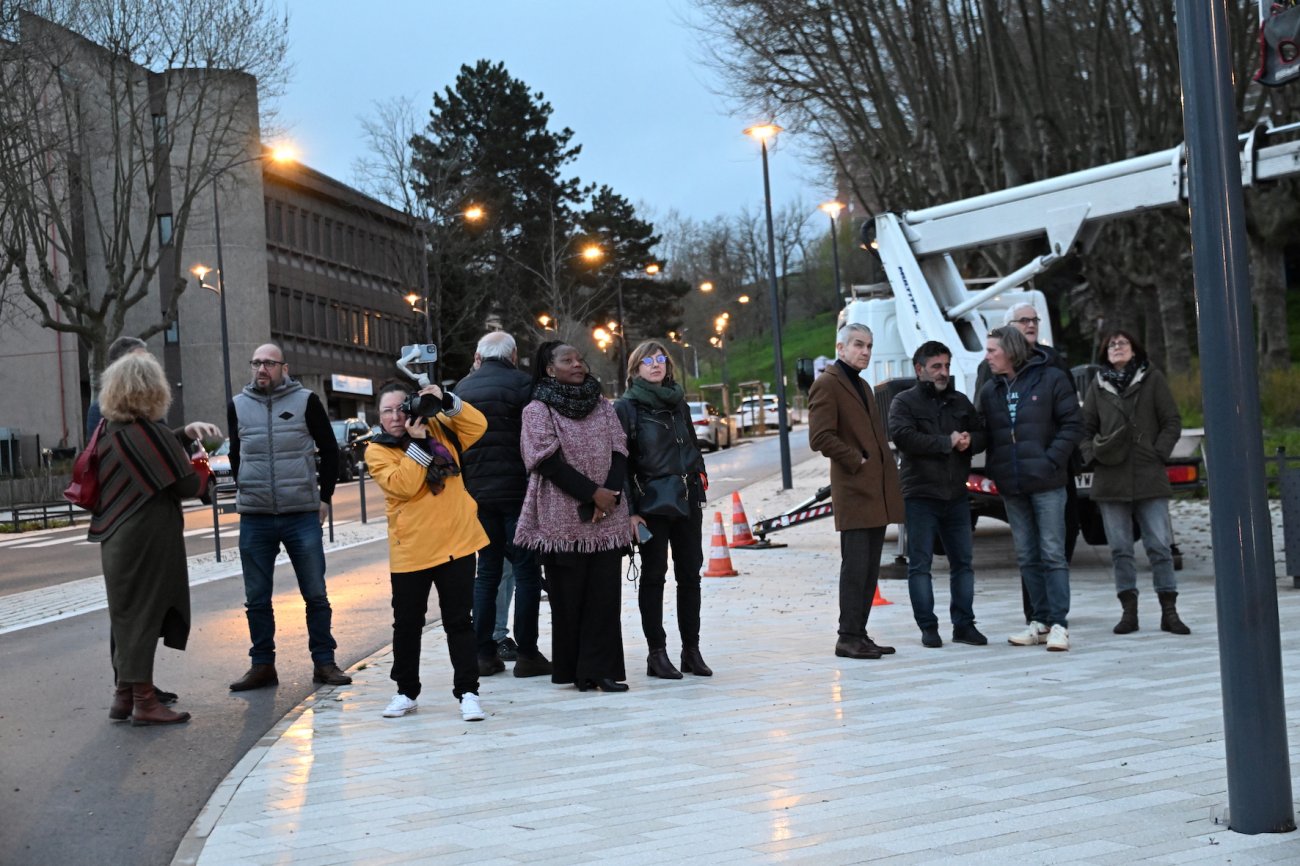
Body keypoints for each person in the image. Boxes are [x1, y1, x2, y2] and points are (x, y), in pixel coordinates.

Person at [226, 343, 352, 691]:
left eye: (268, 363)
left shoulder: (306, 401)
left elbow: (329, 449)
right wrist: (246, 487)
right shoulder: (238, 405)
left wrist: (324, 496)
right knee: (256, 597)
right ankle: (262, 665)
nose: (261, 369)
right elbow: (237, 453)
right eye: (256, 363)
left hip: (300, 514)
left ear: (284, 367)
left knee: (315, 593)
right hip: (255, 516)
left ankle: (324, 662)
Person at [366, 380, 489, 721]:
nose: (394, 417)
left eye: (399, 408)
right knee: (406, 625)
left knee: (459, 622)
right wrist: (418, 446)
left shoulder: (439, 426)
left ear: (411, 405)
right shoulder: (377, 450)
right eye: (386, 411)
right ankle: (406, 692)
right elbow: (403, 486)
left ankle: (468, 693)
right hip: (411, 551)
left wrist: (445, 400)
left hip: (456, 543)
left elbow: (478, 426)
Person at [515, 341, 634, 693]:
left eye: (580, 358)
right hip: (561, 517)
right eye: (568, 360)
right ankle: (577, 671)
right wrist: (591, 494)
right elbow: (545, 460)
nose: (578, 364)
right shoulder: (537, 409)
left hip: (607, 515)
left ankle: (603, 670)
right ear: (550, 369)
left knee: (604, 595)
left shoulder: (601, 403)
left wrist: (607, 496)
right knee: (569, 598)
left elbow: (619, 447)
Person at [88, 353, 200, 725]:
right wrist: (202, 465)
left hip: (114, 537)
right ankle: (145, 702)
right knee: (146, 615)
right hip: (149, 539)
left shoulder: (106, 431)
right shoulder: (150, 433)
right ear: (152, 390)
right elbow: (186, 484)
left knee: (126, 616)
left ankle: (123, 696)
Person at [978, 326, 1084, 652]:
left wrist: (1049, 460)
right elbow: (985, 434)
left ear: (1010, 350)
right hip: (1012, 484)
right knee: (1026, 555)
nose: (988, 357)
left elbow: (1073, 424)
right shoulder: (989, 390)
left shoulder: (1051, 378)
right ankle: (1038, 622)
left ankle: (1059, 626)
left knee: (1052, 553)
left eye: (992, 350)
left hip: (1048, 482)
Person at [453, 331, 551, 679]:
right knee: (525, 572)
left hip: (477, 495)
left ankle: (483, 653)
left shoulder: (462, 390)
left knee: (488, 572)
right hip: (519, 492)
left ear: (478, 356)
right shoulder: (525, 385)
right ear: (512, 356)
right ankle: (527, 654)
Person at [1081, 329, 1189, 636]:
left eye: (1123, 342)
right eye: (1112, 343)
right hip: (1110, 476)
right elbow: (1084, 427)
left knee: (1160, 546)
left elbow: (1172, 420)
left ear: (1134, 348)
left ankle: (1170, 612)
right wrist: (1091, 455)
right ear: (1105, 352)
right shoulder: (1097, 384)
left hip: (1148, 473)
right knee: (1120, 550)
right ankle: (1129, 613)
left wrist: (1158, 452)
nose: (1117, 346)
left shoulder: (1151, 378)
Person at [808, 323, 905, 660]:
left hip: (875, 490)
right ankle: (847, 637)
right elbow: (819, 437)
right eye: (858, 345)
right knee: (856, 567)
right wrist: (856, 460)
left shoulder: (862, 384)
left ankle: (859, 633)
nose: (865, 351)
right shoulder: (827, 385)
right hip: (854, 488)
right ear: (841, 348)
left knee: (868, 569)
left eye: (869, 346)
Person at [616, 340, 712, 680]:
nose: (656, 364)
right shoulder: (627, 408)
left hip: (686, 500)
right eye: (648, 360)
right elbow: (621, 464)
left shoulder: (678, 402)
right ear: (635, 369)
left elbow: (692, 447)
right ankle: (657, 653)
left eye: (661, 359)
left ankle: (691, 650)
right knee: (654, 577)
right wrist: (629, 511)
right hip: (651, 505)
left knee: (690, 575)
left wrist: (699, 482)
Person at [888, 341, 987, 649]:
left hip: (956, 495)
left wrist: (970, 440)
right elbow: (904, 437)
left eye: (946, 365)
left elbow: (982, 433)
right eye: (936, 367)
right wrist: (946, 441)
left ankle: (964, 625)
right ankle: (928, 627)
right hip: (920, 495)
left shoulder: (959, 401)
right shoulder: (903, 402)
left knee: (963, 564)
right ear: (920, 370)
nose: (943, 372)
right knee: (920, 565)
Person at [85, 336, 147, 437]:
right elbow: (96, 450)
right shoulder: (100, 409)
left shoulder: (152, 403)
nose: (149, 366)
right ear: (120, 367)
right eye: (139, 362)